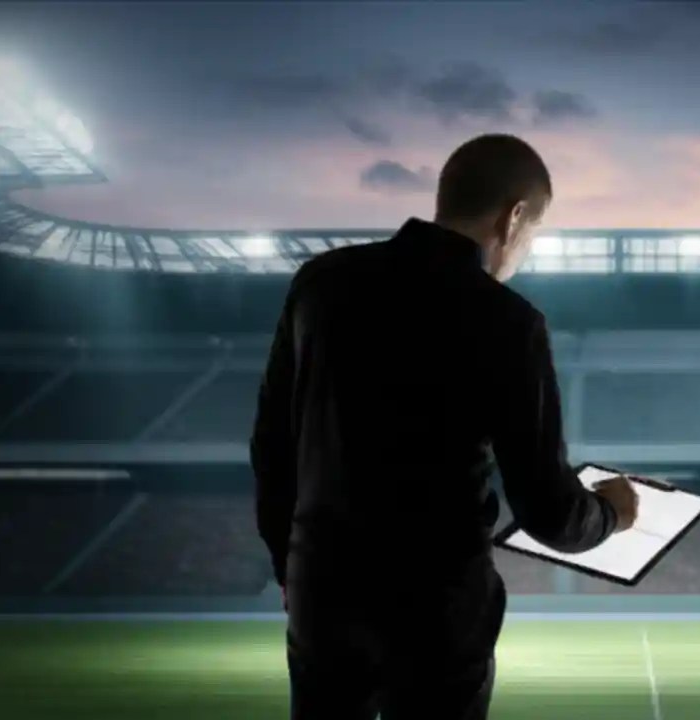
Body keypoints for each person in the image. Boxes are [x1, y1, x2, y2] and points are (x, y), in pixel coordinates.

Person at [250, 133, 641, 720]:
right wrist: (612, 514)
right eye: (533, 231)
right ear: (513, 218)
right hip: (436, 612)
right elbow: (547, 512)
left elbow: (271, 445)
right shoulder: (510, 323)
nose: (524, 249)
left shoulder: (319, 284)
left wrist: (290, 564)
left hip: (322, 594)